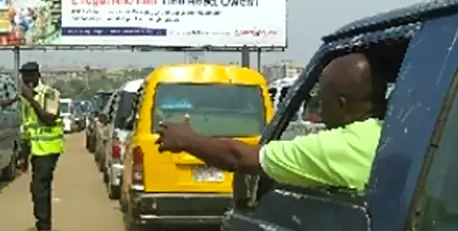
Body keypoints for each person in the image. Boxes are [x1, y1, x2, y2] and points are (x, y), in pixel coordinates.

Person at [156, 53, 387, 191]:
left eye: (321, 100)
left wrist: (187, 140)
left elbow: (241, 157)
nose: (318, 109)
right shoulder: (391, 133)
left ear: (341, 105)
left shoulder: (340, 147)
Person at [16, 61, 64, 231]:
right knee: (36, 189)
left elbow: (49, 119)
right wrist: (23, 155)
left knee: (40, 189)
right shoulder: (25, 100)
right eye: (23, 76)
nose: (27, 80)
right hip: (36, 149)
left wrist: (32, 99)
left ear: (38, 75)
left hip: (50, 148)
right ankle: (41, 229)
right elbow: (27, 129)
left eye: (30, 76)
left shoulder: (50, 94)